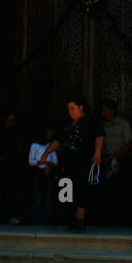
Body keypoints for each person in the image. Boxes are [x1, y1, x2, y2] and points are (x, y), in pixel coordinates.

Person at [40, 98, 104, 233]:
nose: (70, 112)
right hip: (67, 162)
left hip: (83, 160)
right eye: (68, 109)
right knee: (67, 189)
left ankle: (80, 219)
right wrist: (46, 153)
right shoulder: (67, 124)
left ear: (81, 107)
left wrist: (97, 152)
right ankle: (70, 218)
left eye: (72, 109)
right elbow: (58, 140)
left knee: (82, 188)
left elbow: (99, 136)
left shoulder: (91, 121)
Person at [101, 99, 132, 225]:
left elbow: (129, 143)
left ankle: (122, 220)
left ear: (112, 111)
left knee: (121, 191)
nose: (103, 113)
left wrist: (116, 156)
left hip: (121, 161)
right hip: (107, 161)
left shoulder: (122, 124)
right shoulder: (104, 126)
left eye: (105, 110)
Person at [0, 110, 22, 224]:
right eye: (10, 120)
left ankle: (11, 215)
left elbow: (19, 149)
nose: (11, 123)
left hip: (13, 166)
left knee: (12, 191)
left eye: (13, 121)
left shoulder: (16, 133)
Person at [28, 126, 58, 226]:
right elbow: (31, 161)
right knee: (37, 198)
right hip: (38, 172)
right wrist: (43, 163)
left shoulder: (50, 145)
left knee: (48, 198)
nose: (50, 135)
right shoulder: (35, 145)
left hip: (48, 173)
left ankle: (47, 221)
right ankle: (36, 221)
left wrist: (48, 165)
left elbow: (55, 161)